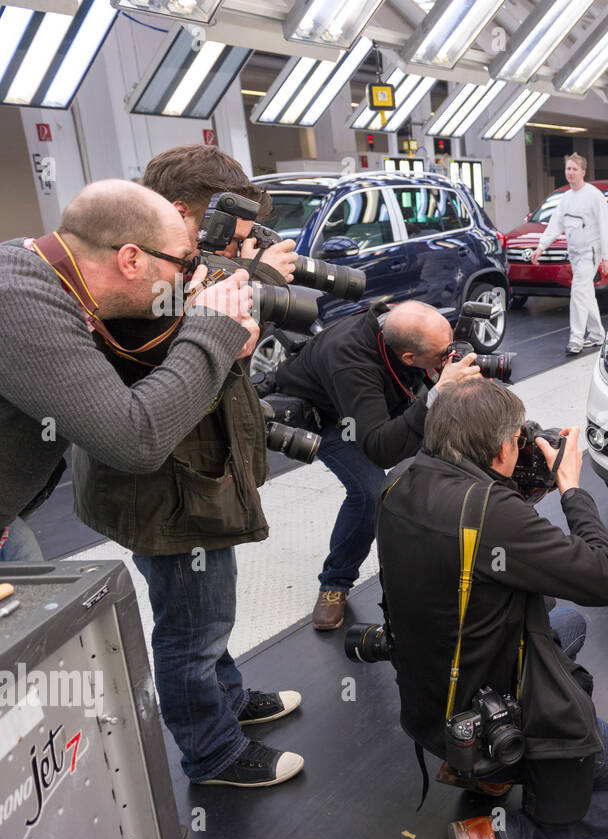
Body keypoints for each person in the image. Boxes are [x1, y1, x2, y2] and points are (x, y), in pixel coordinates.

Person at [71, 147, 302, 789]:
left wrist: (236, 277)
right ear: (184, 217)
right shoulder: (140, 278)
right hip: (169, 492)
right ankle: (214, 754)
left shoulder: (176, 268)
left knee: (201, 615)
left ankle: (224, 701)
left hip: (180, 480)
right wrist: (252, 279)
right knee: (190, 632)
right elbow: (176, 351)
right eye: (238, 231)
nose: (248, 244)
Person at [375, 378, 608, 839]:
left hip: (432, 695)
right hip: (489, 707)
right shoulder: (496, 515)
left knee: (570, 624)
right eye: (516, 442)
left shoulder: (397, 481)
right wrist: (572, 488)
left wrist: (513, 487)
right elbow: (606, 580)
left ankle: (480, 771)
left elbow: (474, 541)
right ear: (501, 449)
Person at [0, 178, 254, 562]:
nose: (188, 277)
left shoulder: (35, 267)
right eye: (185, 263)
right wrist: (212, 326)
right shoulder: (18, 299)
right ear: (131, 260)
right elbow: (136, 440)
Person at [271, 300, 482, 630]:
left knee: (452, 450)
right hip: (329, 414)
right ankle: (335, 583)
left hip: (378, 399)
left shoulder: (399, 323)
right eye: (444, 354)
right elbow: (382, 450)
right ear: (408, 358)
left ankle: (452, 556)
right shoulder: (351, 363)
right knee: (369, 492)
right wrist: (439, 393)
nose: (449, 358)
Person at [525, 153, 608, 355]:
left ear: (583, 171)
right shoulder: (565, 198)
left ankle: (576, 339)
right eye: (568, 169)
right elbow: (555, 224)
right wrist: (541, 247)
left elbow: (604, 227)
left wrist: (607, 257)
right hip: (574, 253)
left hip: (591, 252)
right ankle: (597, 335)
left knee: (578, 292)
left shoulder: (594, 196)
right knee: (586, 293)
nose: (571, 172)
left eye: (574, 169)